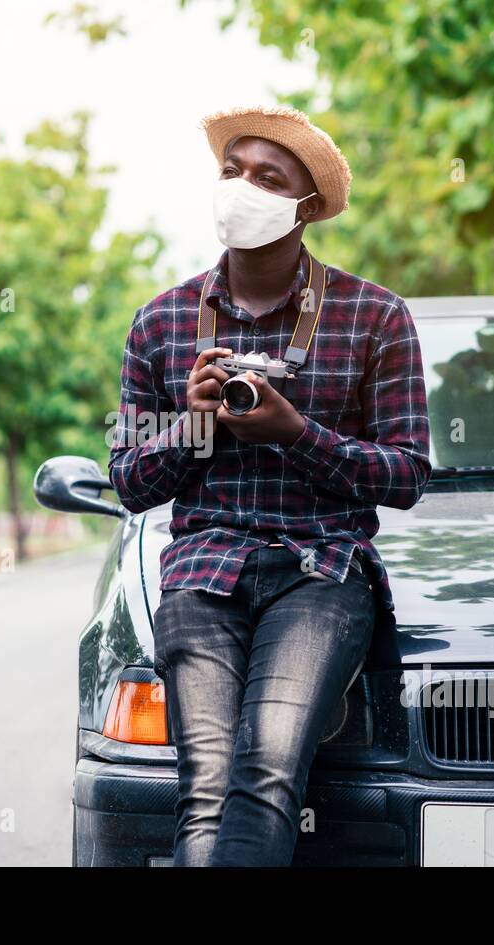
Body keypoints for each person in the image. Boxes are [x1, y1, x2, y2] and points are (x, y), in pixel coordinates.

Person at [107, 105, 431, 866]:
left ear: (305, 206)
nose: (242, 186)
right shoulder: (159, 324)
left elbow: (410, 473)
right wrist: (194, 427)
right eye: (233, 171)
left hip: (321, 570)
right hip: (203, 573)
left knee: (265, 775)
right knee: (207, 791)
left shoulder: (374, 315)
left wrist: (295, 433)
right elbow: (127, 479)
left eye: (267, 177)